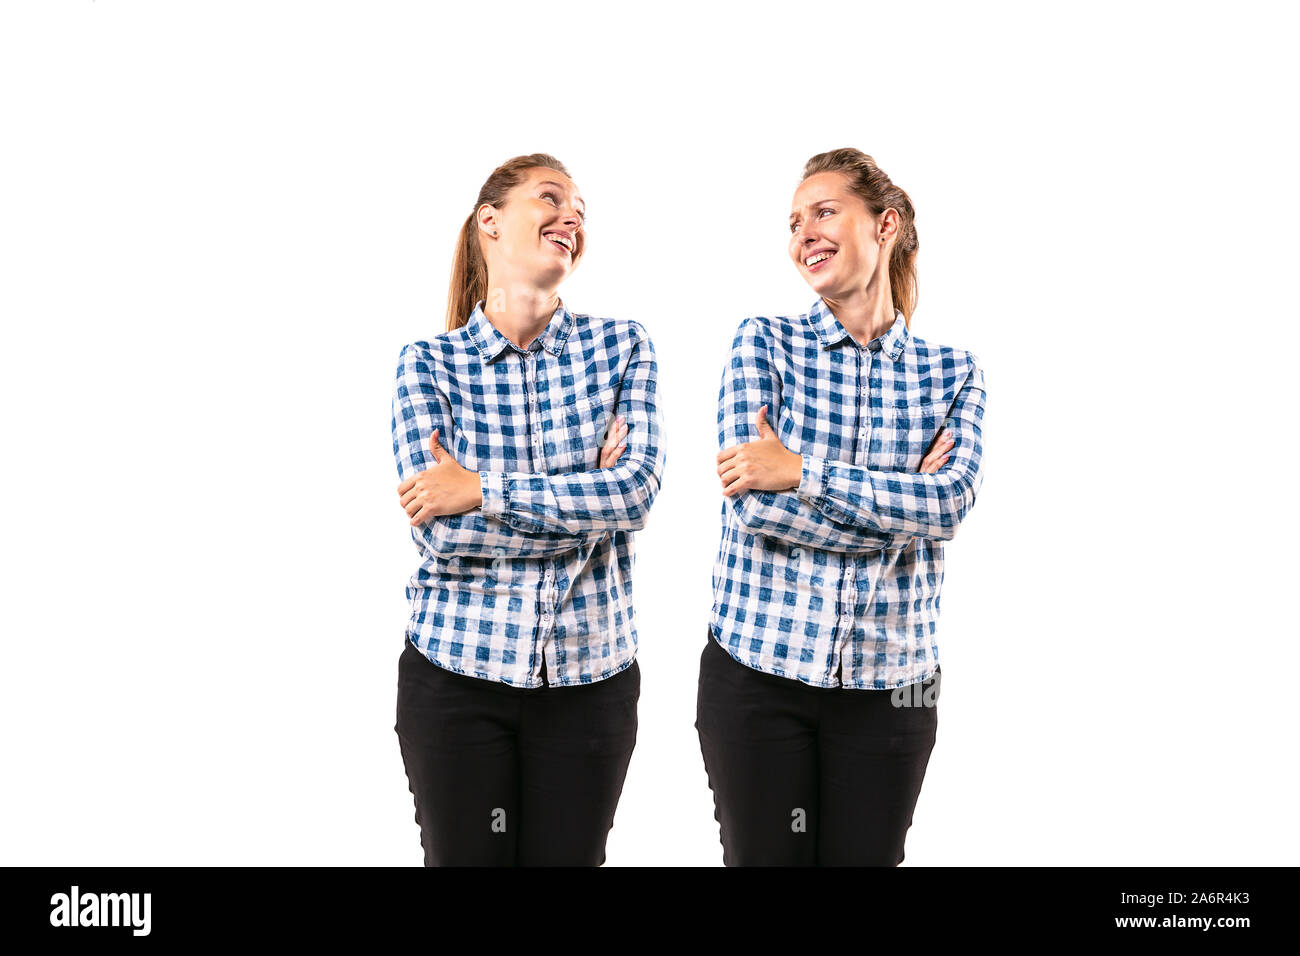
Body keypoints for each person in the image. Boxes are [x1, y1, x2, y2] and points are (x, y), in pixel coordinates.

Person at [698, 147, 987, 866]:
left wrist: (800, 473)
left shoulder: (953, 374)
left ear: (884, 225)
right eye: (794, 222)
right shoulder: (762, 343)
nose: (804, 235)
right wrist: (899, 511)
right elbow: (757, 510)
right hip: (759, 676)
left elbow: (948, 504)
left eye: (824, 212)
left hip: (895, 687)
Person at [391, 153, 667, 866]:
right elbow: (445, 533)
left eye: (581, 208)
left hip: (590, 684)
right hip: (456, 680)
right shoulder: (427, 364)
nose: (572, 216)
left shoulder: (623, 346)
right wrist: (585, 503)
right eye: (551, 198)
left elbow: (636, 492)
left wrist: (483, 489)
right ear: (490, 221)